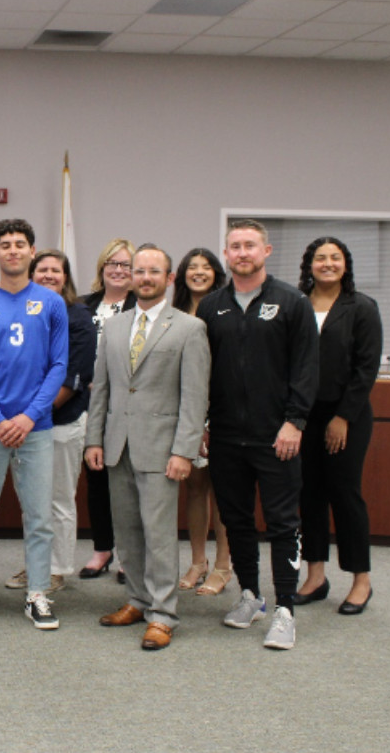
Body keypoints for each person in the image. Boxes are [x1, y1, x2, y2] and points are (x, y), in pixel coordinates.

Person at [197, 219, 318, 650]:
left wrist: (295, 421)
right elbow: (202, 371)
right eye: (235, 246)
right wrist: (203, 423)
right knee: (236, 520)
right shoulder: (211, 307)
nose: (242, 252)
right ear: (226, 254)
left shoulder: (292, 302)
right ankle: (250, 595)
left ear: (266, 251)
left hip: (277, 435)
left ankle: (285, 608)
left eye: (250, 245)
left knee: (283, 523)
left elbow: (307, 366)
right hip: (227, 436)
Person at [85, 245, 210, 650]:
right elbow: (102, 389)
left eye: (154, 271)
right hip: (117, 445)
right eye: (139, 271)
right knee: (127, 532)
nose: (145, 278)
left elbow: (195, 396)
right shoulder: (115, 326)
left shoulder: (189, 328)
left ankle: (163, 614)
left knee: (158, 536)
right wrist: (94, 439)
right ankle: (138, 601)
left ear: (169, 278)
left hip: (162, 448)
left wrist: (184, 451)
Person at [0, 220, 68, 630]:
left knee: (38, 517)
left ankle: (37, 593)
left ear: (32, 251)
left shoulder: (51, 303)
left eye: (20, 244)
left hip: (36, 428)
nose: (13, 250)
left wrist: (28, 416)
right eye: (5, 245)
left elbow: (59, 365)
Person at [294, 237, 382, 615]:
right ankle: (315, 576)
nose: (328, 263)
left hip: (347, 415)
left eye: (335, 257)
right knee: (309, 494)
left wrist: (342, 417)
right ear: (309, 265)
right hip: (303, 415)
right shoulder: (297, 304)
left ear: (345, 264)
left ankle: (361, 580)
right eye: (320, 258)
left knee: (345, 494)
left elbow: (366, 368)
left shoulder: (361, 307)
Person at [5, 249, 96, 594]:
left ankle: (56, 569)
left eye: (55, 270)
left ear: (65, 276)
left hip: (59, 423)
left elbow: (74, 378)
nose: (48, 275)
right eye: (41, 269)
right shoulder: (24, 311)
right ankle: (36, 564)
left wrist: (32, 415)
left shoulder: (78, 317)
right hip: (23, 424)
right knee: (31, 501)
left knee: (57, 499)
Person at [171, 248, 233, 596]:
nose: (198, 272)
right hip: (185, 409)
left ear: (216, 274)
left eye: (205, 267)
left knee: (223, 490)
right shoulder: (173, 312)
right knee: (194, 488)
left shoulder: (227, 309)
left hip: (222, 408)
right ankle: (198, 561)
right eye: (191, 266)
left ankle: (223, 565)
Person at [78, 238, 136, 583]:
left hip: (125, 405)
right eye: (112, 263)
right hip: (84, 402)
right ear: (102, 269)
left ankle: (129, 554)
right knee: (96, 478)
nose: (118, 270)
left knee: (125, 481)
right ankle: (102, 549)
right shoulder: (83, 305)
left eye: (125, 264)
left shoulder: (142, 307)